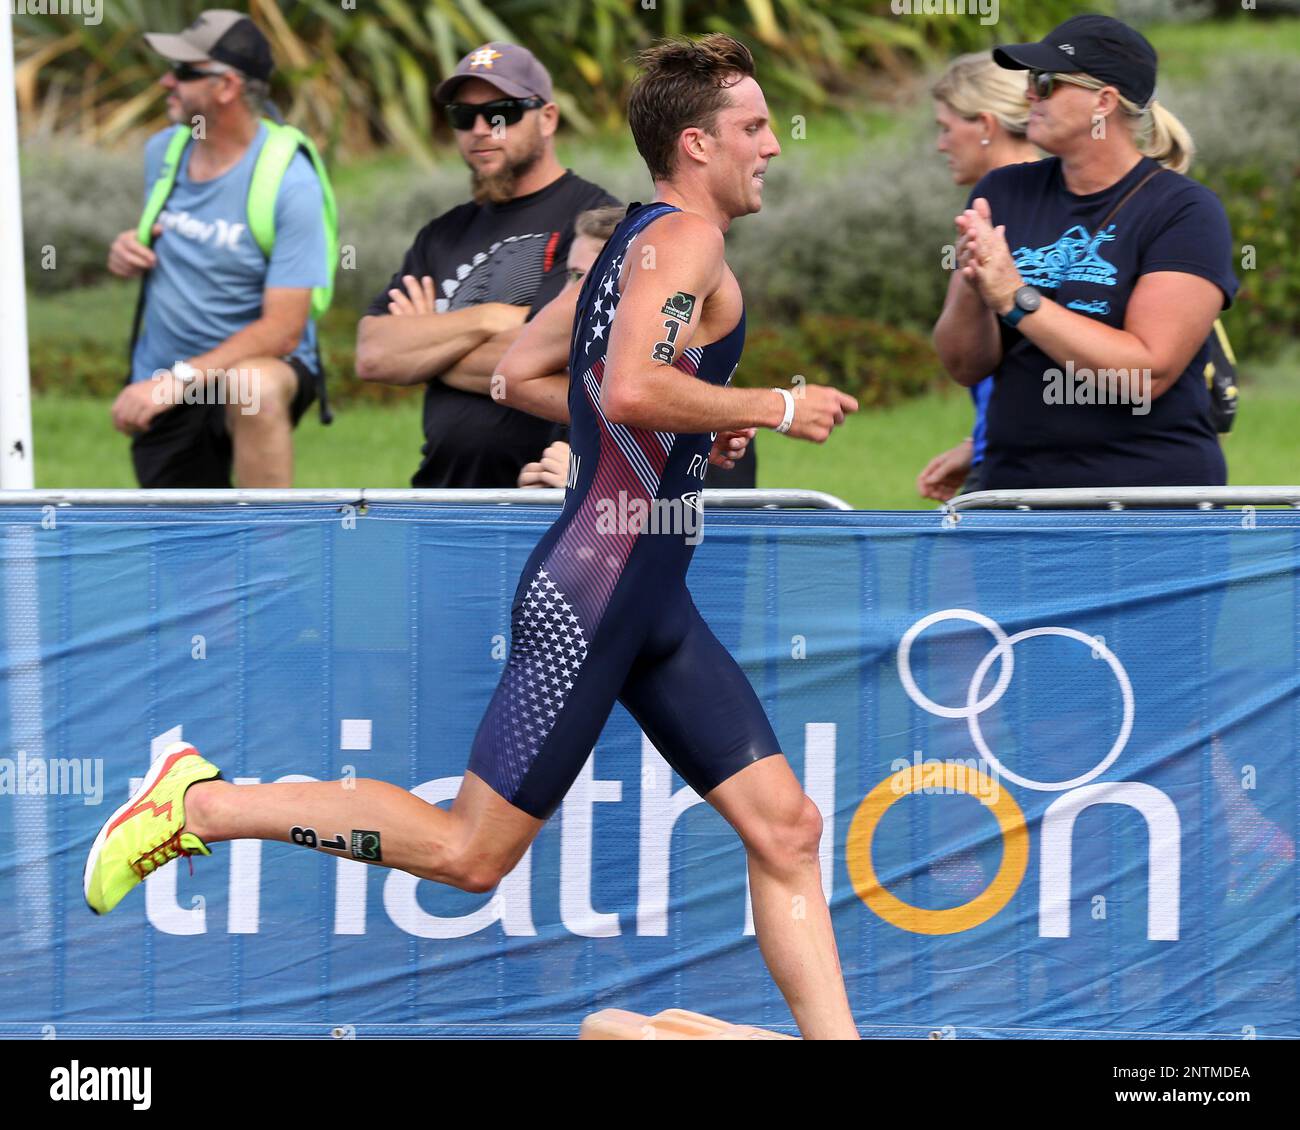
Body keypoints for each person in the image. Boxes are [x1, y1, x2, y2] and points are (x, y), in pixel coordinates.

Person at [85, 33, 861, 1039]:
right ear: (697, 145)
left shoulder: (632, 242)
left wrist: (676, 426)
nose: (772, 146)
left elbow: (520, 375)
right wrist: (770, 402)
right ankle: (203, 805)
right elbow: (625, 385)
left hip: (649, 590)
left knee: (787, 829)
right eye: (753, 128)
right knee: (469, 854)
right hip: (595, 586)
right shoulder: (683, 243)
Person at [932, 15, 1237, 490]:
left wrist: (1016, 298)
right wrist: (975, 289)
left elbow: (1146, 374)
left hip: (1149, 509)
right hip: (1017, 500)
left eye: (1047, 82)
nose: (1030, 93)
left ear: (1104, 102)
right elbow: (963, 365)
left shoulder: (1186, 211)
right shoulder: (1004, 190)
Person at [355, 42, 618, 488]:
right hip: (441, 498)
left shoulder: (594, 221)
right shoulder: (441, 234)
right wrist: (492, 319)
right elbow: (374, 355)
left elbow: (567, 357)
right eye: (462, 115)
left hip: (546, 493)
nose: (480, 128)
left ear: (548, 117)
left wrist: (425, 345)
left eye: (502, 112)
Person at [106, 10, 332, 488]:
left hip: (250, 367)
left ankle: (272, 558)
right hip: (165, 378)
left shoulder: (292, 184)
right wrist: (129, 247)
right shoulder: (163, 151)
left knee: (253, 386)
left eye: (185, 72)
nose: (167, 81)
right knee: (185, 554)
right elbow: (179, 235)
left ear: (227, 87)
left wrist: (176, 382)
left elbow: (284, 331)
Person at [516, 206, 757, 489]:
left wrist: (589, 481)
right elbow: (510, 378)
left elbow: (708, 521)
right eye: (570, 277)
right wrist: (535, 499)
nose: (565, 296)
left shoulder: (712, 421)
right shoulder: (583, 387)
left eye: (586, 280)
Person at [916, 52, 1037, 502]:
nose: (940, 145)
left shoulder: (1011, 213)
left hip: (1026, 470)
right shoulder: (1016, 202)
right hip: (1006, 452)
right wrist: (976, 444)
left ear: (986, 126)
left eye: (946, 128)